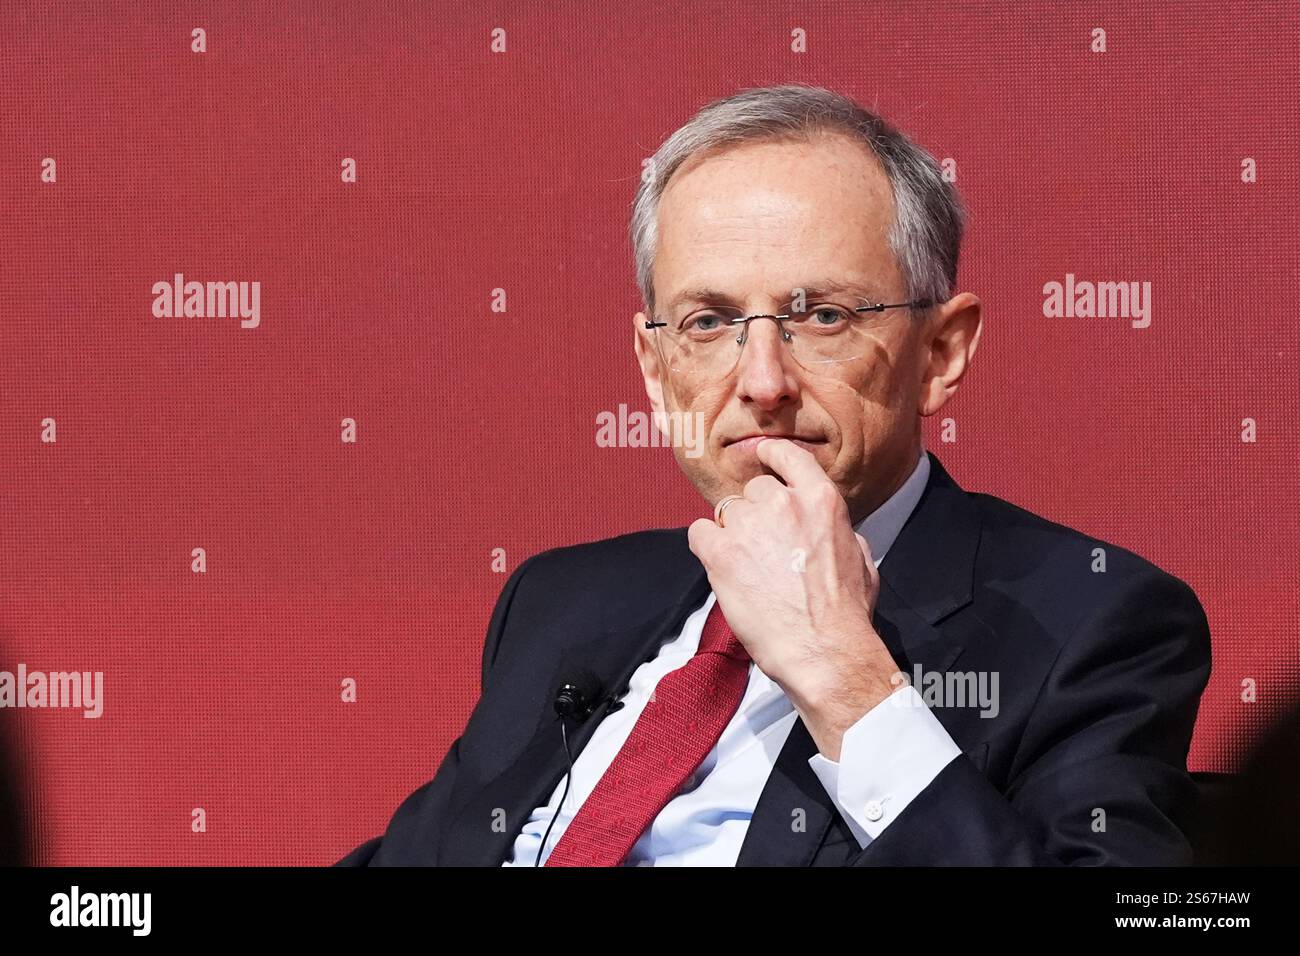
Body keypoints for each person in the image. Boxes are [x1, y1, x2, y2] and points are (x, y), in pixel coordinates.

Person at [337, 84, 1211, 867]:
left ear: (941, 353)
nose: (762, 382)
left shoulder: (1095, 625)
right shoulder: (562, 601)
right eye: (709, 322)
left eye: (823, 315)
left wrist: (845, 682)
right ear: (653, 367)